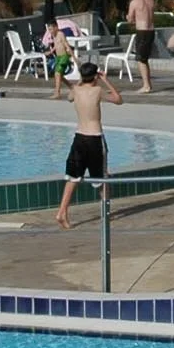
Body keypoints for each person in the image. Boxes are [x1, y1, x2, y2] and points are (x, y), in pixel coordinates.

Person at [54, 61, 123, 228]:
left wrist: (79, 81)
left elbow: (70, 97)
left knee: (73, 178)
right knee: (102, 177)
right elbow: (119, 100)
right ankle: (105, 214)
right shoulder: (98, 91)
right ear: (95, 77)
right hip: (94, 138)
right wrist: (106, 80)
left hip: (79, 138)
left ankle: (62, 212)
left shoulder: (75, 91)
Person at [126, 0, 157, 93]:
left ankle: (146, 86)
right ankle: (148, 84)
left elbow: (130, 19)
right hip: (151, 31)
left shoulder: (134, 2)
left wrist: (128, 18)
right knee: (144, 59)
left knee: (140, 59)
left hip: (142, 31)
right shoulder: (151, 0)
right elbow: (151, 17)